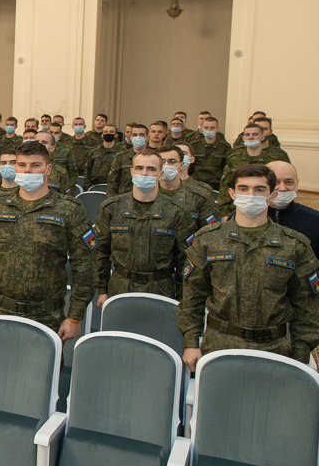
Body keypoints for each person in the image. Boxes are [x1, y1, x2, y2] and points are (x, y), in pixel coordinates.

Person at [178, 163, 319, 371]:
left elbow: (306, 306)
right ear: (232, 194)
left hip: (275, 348)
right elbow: (192, 297)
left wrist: (299, 354)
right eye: (243, 189)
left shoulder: (294, 244)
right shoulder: (208, 239)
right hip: (219, 345)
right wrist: (191, 343)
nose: (250, 195)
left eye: (259, 189)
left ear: (271, 196)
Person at [0, 142, 95, 340]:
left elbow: (85, 268)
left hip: (47, 315)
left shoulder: (71, 210)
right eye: (21, 165)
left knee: (42, 371)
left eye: (35, 165)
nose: (27, 170)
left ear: (48, 169)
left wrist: (74, 317)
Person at [93, 150, 193, 304]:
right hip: (119, 286)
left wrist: (181, 298)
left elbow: (184, 260)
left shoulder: (177, 211)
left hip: (161, 289)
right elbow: (100, 251)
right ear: (132, 172)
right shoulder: (112, 208)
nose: (144, 173)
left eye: (151, 169)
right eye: (139, 168)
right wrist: (102, 290)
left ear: (160, 174)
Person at [266, 161, 319, 258]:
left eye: (288, 182)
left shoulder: (315, 220)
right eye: (276, 182)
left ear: (297, 185)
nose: (282, 188)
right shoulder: (244, 218)